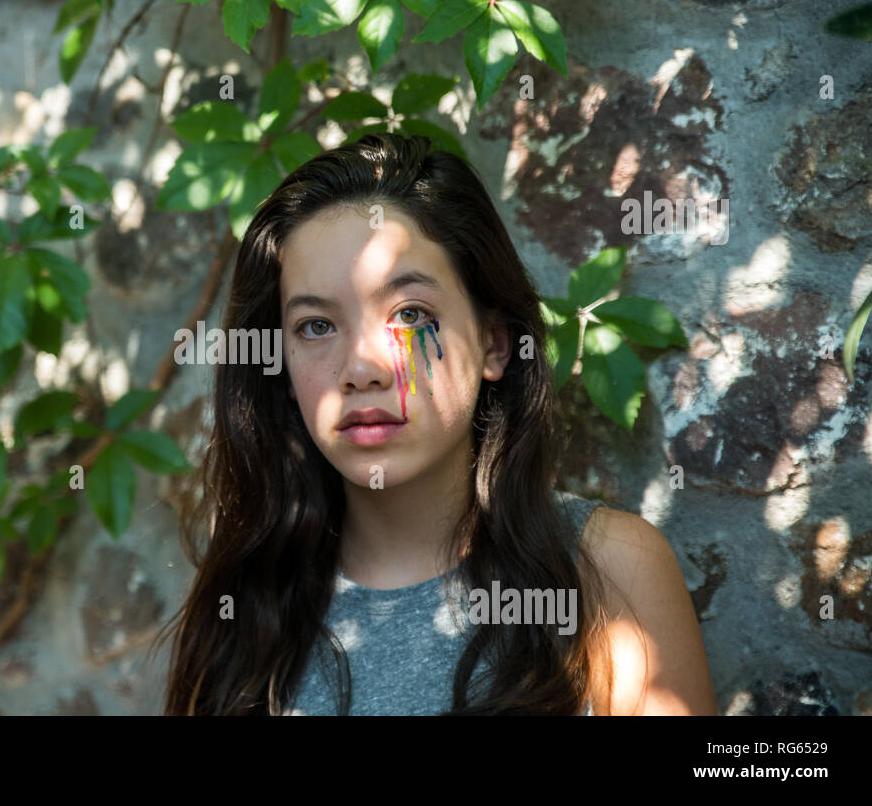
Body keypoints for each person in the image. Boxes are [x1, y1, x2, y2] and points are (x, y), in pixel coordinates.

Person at [155, 132, 716, 715]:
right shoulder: (246, 602)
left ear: (495, 344)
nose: (361, 368)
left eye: (410, 314)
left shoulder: (608, 572)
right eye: (316, 326)